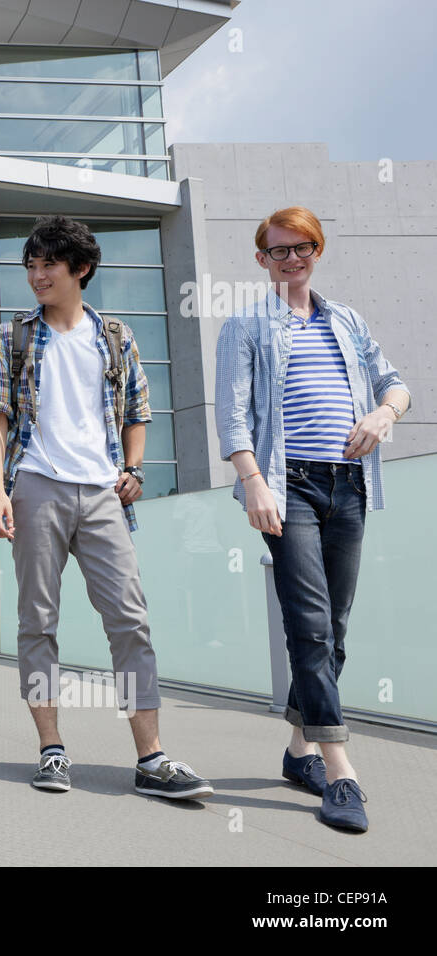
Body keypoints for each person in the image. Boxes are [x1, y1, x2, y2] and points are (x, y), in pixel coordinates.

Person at [0, 215, 212, 801]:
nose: (36, 275)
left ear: (80, 269)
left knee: (130, 620)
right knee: (39, 621)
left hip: (103, 493)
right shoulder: (13, 338)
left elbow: (138, 409)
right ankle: (52, 751)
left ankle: (151, 759)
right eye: (30, 265)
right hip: (36, 485)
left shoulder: (115, 336)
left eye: (48, 264)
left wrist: (132, 470)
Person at [215, 206, 409, 832]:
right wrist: (253, 484)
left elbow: (395, 383)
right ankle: (341, 770)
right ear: (262, 260)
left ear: (317, 250)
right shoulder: (245, 325)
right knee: (312, 626)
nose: (292, 259)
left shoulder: (346, 320)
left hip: (348, 485)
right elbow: (234, 415)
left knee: (337, 626)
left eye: (303, 248)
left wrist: (385, 415)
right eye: (279, 251)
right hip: (287, 487)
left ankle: (299, 754)